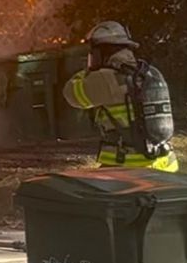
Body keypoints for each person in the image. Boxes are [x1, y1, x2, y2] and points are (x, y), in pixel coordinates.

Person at [64, 21, 178, 172]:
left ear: (101, 52)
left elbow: (71, 95)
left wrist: (88, 70)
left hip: (129, 167)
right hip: (167, 165)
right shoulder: (152, 73)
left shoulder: (105, 78)